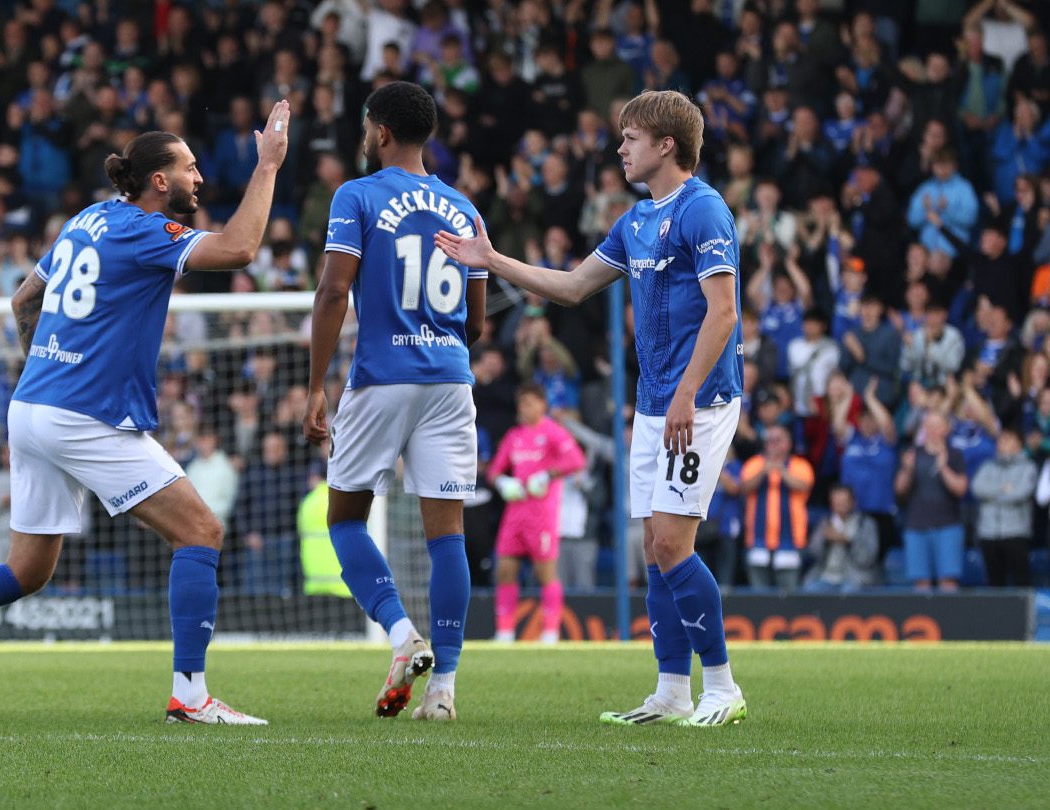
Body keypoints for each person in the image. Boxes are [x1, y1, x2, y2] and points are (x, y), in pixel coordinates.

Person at [0, 101, 293, 725]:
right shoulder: (147, 232)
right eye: (190, 168)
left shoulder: (85, 220)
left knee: (27, 569)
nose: (200, 178)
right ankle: (191, 697)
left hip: (31, 405)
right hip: (84, 415)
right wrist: (270, 163)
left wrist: (49, 364)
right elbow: (242, 247)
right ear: (159, 181)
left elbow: (21, 299)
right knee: (201, 531)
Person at [436, 89, 747, 727]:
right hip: (656, 403)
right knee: (652, 548)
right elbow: (573, 287)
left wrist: (688, 392)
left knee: (671, 539)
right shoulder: (633, 221)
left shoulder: (704, 210)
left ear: (666, 144)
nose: (619, 148)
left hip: (702, 400)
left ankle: (722, 686)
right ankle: (671, 691)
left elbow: (725, 312)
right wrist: (493, 261)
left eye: (630, 137)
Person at [303, 81, 485, 722]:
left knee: (345, 519)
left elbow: (332, 293)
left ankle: (403, 634)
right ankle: (444, 692)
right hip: (449, 377)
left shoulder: (357, 195)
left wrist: (313, 385)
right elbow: (477, 319)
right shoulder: (464, 209)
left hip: (382, 375)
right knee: (447, 537)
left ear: (379, 131)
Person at [486, 383, 586, 643]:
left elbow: (576, 461)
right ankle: (505, 632)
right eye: (521, 403)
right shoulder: (514, 436)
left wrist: (548, 474)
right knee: (505, 569)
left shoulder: (554, 433)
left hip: (541, 514)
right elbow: (494, 470)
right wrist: (502, 483)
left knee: (545, 572)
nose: (525, 408)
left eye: (530, 402)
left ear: (543, 404)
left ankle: (550, 632)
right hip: (515, 514)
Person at [894, 410, 969, 592]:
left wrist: (943, 467)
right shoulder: (912, 454)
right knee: (921, 583)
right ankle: (922, 621)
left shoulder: (955, 455)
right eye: (927, 425)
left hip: (948, 525)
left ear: (946, 429)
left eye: (936, 425)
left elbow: (961, 489)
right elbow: (899, 490)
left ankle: (950, 620)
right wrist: (907, 469)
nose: (931, 429)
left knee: (948, 581)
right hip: (917, 526)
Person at [739, 425, 815, 589]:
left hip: (792, 540)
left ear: (788, 443)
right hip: (757, 540)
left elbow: (804, 486)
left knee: (788, 595)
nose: (773, 445)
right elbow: (744, 488)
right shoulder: (755, 464)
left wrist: (781, 471)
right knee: (759, 594)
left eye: (778, 440)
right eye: (770, 441)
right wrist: (764, 471)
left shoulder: (800, 465)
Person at [970, 428, 1035, 587]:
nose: (1003, 443)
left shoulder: (1027, 467)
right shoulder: (987, 466)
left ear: (1019, 443)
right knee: (995, 582)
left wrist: (991, 493)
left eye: (1008, 439)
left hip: (1016, 532)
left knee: (1021, 581)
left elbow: (1021, 493)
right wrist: (1003, 489)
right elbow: (977, 488)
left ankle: (1021, 613)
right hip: (988, 532)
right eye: (1001, 439)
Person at [802, 485, 880, 592]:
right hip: (825, 576)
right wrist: (824, 540)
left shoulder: (865, 524)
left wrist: (847, 541)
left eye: (843, 502)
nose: (839, 506)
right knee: (810, 588)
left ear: (852, 502)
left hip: (853, 578)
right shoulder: (826, 522)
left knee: (848, 591)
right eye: (836, 503)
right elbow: (813, 553)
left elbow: (867, 559)